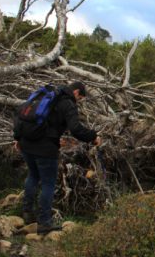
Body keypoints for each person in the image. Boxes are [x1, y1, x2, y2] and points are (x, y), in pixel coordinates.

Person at [13, 81, 101, 233]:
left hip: (26, 143)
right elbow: (75, 129)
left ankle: (27, 213)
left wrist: (17, 137)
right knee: (48, 183)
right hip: (45, 148)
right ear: (76, 92)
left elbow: (22, 113)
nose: (78, 101)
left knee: (33, 176)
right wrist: (93, 137)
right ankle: (44, 222)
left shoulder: (45, 94)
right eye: (80, 98)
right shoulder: (68, 103)